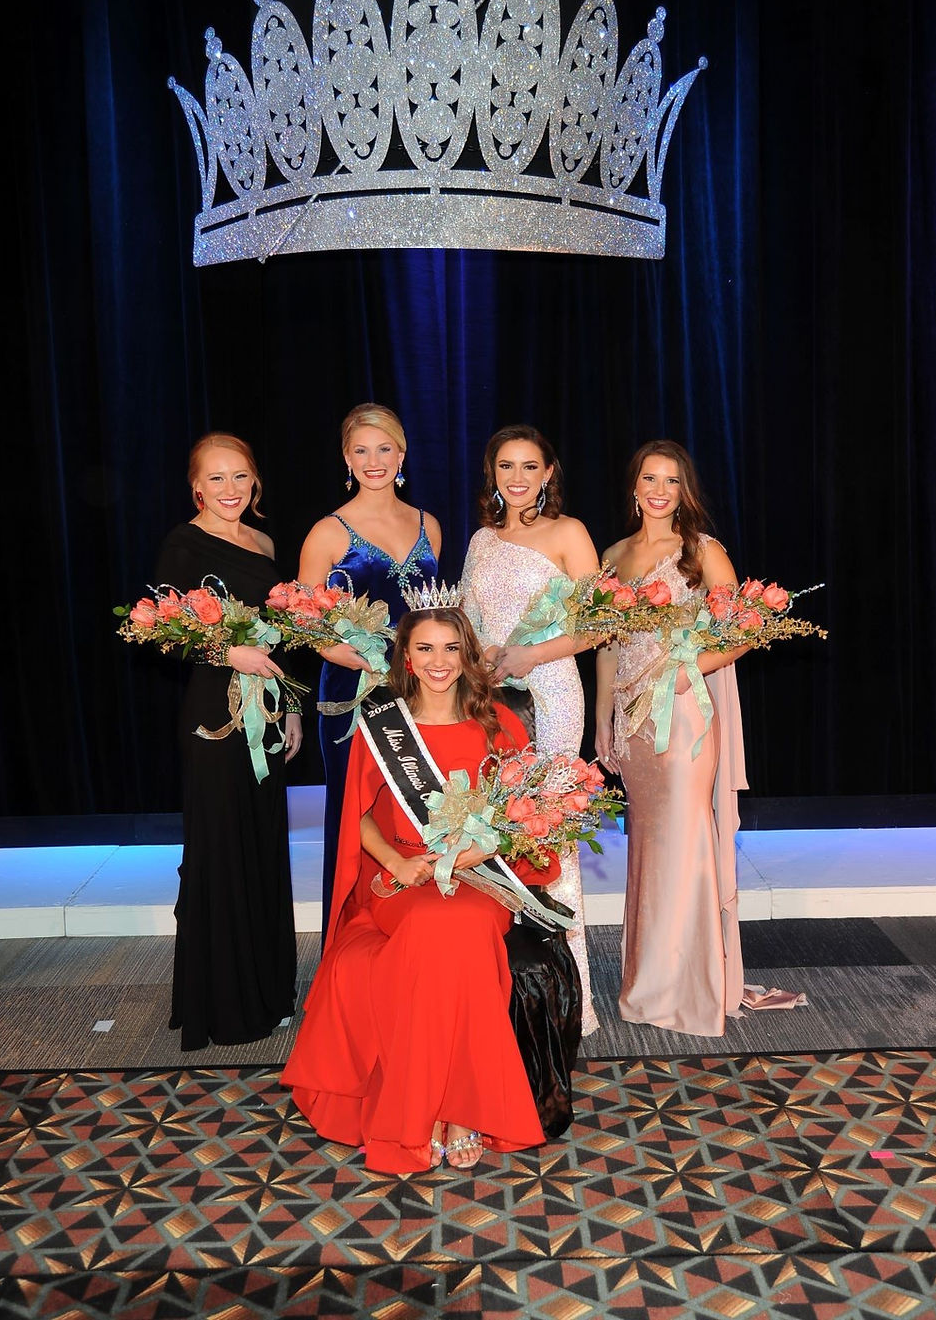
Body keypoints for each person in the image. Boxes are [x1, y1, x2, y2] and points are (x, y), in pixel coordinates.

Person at [280, 606, 557, 1173]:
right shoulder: (381, 728)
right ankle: (444, 1108)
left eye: (450, 649)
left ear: (467, 654)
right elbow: (355, 814)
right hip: (401, 876)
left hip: (477, 877)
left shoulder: (502, 724)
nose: (438, 662)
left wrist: (481, 851)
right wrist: (393, 862)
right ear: (406, 657)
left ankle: (449, 1109)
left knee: (455, 928)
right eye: (425, 649)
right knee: (433, 926)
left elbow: (525, 812)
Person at [595, 439, 759, 1036]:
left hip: (686, 718)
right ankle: (647, 979)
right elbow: (608, 647)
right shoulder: (613, 554)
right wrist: (603, 718)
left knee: (685, 844)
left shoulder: (703, 552)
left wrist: (686, 669)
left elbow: (744, 632)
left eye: (671, 481)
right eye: (649, 479)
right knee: (645, 847)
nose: (659, 491)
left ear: (684, 491)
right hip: (634, 726)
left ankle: (686, 989)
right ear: (634, 487)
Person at [154, 432, 300, 1051]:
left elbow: (286, 633)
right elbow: (163, 628)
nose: (230, 489)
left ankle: (267, 992)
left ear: (255, 481)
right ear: (196, 487)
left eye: (240, 477)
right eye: (216, 479)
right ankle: (223, 1004)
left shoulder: (263, 543)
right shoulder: (183, 544)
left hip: (267, 713)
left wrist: (291, 709)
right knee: (220, 847)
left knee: (262, 847)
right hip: (213, 717)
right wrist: (226, 649)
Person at [460, 424, 601, 1037]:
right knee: (490, 823)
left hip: (549, 694)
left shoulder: (569, 534)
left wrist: (529, 657)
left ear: (549, 474)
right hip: (490, 700)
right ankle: (503, 983)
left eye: (529, 467)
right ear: (492, 474)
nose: (516, 479)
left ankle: (568, 995)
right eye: (505, 467)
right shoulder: (481, 539)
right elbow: (464, 623)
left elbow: (599, 626)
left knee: (547, 825)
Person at [296, 404, 440, 942]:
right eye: (361, 450)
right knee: (356, 805)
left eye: (385, 449)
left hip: (421, 690)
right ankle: (348, 938)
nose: (373, 461)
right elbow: (306, 623)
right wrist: (357, 659)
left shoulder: (430, 525)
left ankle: (413, 934)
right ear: (346, 459)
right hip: (352, 693)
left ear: (402, 455)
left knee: (412, 806)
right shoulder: (327, 532)